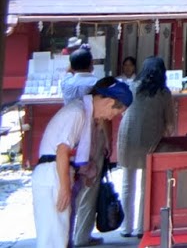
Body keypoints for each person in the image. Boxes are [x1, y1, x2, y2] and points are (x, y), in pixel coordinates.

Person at [32, 78, 130, 248]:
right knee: (53, 238)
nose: (109, 117)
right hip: (52, 174)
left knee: (59, 235)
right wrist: (64, 188)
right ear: (109, 101)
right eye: (113, 113)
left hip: (55, 173)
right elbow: (62, 150)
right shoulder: (77, 113)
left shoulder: (82, 111)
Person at [118, 58, 177, 238]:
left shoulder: (132, 87)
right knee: (146, 185)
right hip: (151, 140)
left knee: (127, 183)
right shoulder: (163, 93)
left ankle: (126, 227)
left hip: (127, 137)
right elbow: (170, 124)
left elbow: (121, 109)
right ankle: (141, 227)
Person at [58, 49, 105, 247]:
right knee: (89, 186)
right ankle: (82, 234)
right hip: (92, 135)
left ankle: (65, 236)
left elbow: (68, 72)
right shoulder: (96, 83)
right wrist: (107, 141)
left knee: (70, 185)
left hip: (70, 136)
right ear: (91, 64)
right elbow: (103, 116)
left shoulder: (66, 83)